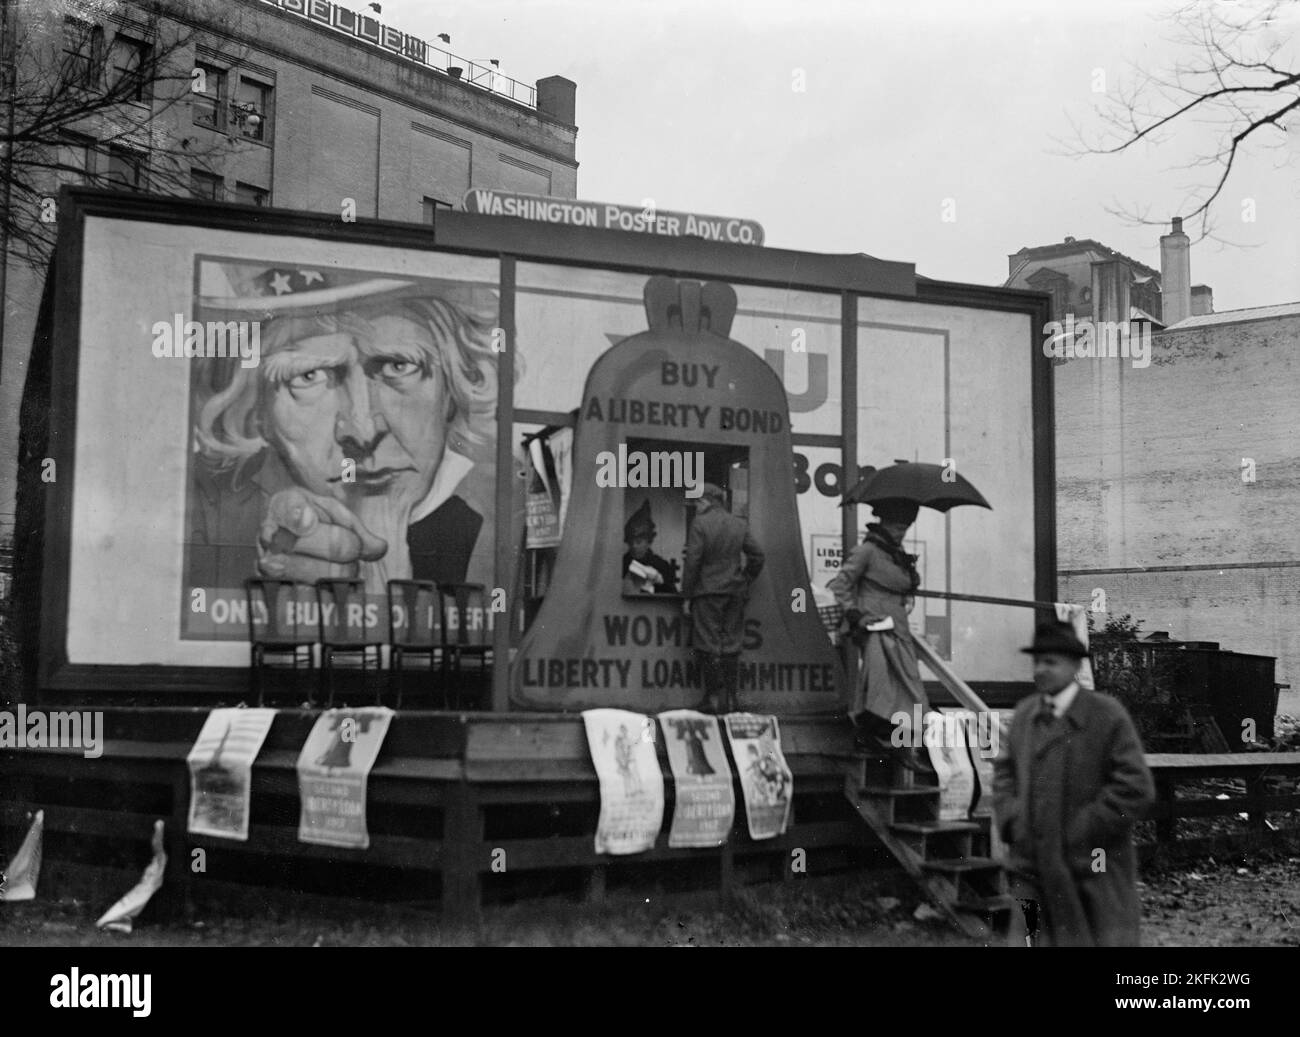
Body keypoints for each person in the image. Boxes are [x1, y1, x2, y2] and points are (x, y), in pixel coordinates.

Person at [187, 270, 517, 598]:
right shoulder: (202, 505)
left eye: (397, 367)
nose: (362, 430)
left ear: (453, 390)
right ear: (258, 413)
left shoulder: (508, 504)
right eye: (310, 375)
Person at [993, 621, 1155, 947]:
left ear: (1075, 665)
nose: (1040, 670)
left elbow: (1136, 787)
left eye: (1050, 662)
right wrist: (1014, 819)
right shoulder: (1025, 715)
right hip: (1031, 870)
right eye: (1036, 662)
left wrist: (1082, 829)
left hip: (1090, 872)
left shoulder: (1105, 715)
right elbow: (1004, 774)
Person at [827, 498, 932, 770]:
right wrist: (854, 614)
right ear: (884, 523)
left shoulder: (895, 553)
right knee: (881, 686)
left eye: (906, 528)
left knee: (909, 687)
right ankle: (874, 736)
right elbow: (840, 585)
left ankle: (897, 745)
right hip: (874, 627)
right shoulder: (867, 551)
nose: (901, 533)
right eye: (898, 527)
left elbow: (906, 584)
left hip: (898, 628)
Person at [681, 483, 764, 714]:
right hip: (735, 592)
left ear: (707, 501)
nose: (696, 506)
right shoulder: (739, 524)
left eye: (697, 502)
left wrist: (686, 595)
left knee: (707, 644)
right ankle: (732, 700)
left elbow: (693, 563)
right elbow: (757, 556)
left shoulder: (700, 524)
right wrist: (745, 579)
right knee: (731, 645)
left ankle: (712, 699)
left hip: (707, 592)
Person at [621, 499, 679, 595]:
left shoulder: (661, 566)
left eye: (638, 542)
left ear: (649, 542)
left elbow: (670, 595)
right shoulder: (621, 564)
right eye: (630, 542)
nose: (634, 546)